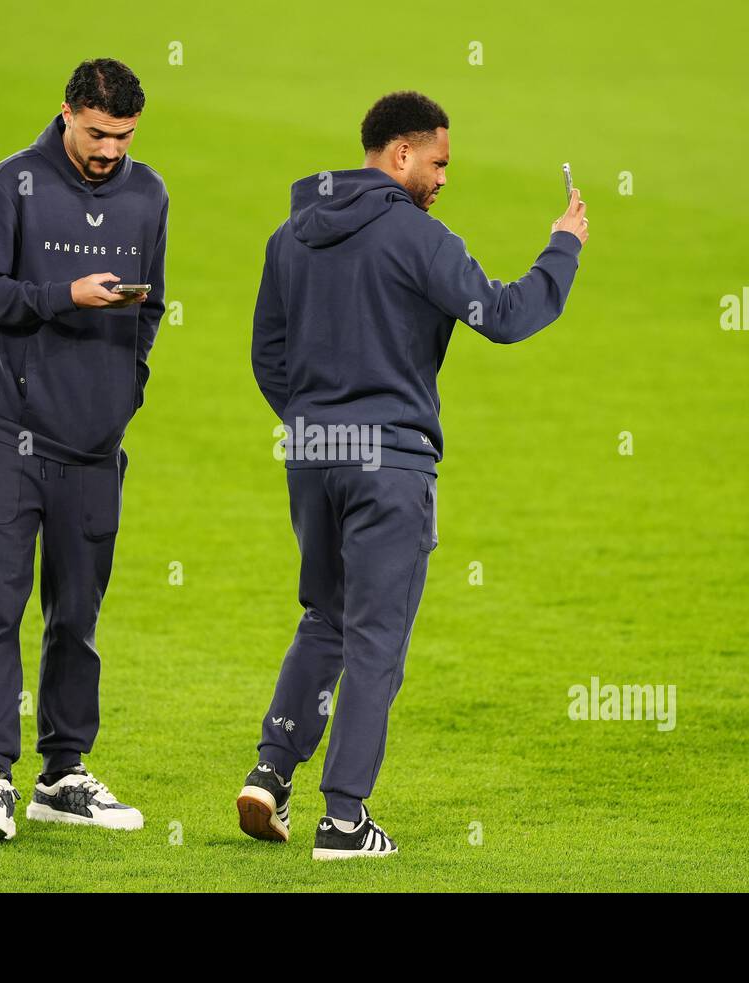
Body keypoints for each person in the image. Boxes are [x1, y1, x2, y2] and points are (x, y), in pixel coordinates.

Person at [238, 90, 588, 859]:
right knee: (374, 639)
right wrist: (562, 246)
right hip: (388, 464)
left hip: (313, 457)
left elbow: (268, 352)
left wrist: (314, 422)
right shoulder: (417, 238)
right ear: (401, 154)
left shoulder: (289, 234)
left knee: (325, 616)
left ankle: (270, 770)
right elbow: (501, 314)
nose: (443, 178)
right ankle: (344, 819)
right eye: (439, 161)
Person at [0, 58, 168, 843]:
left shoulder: (150, 194)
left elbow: (156, 305)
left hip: (93, 447)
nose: (112, 150)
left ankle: (63, 773)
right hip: (8, 438)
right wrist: (58, 298)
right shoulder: (10, 184)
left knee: (77, 616)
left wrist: (128, 388)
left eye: (125, 137)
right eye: (100, 133)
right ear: (69, 112)